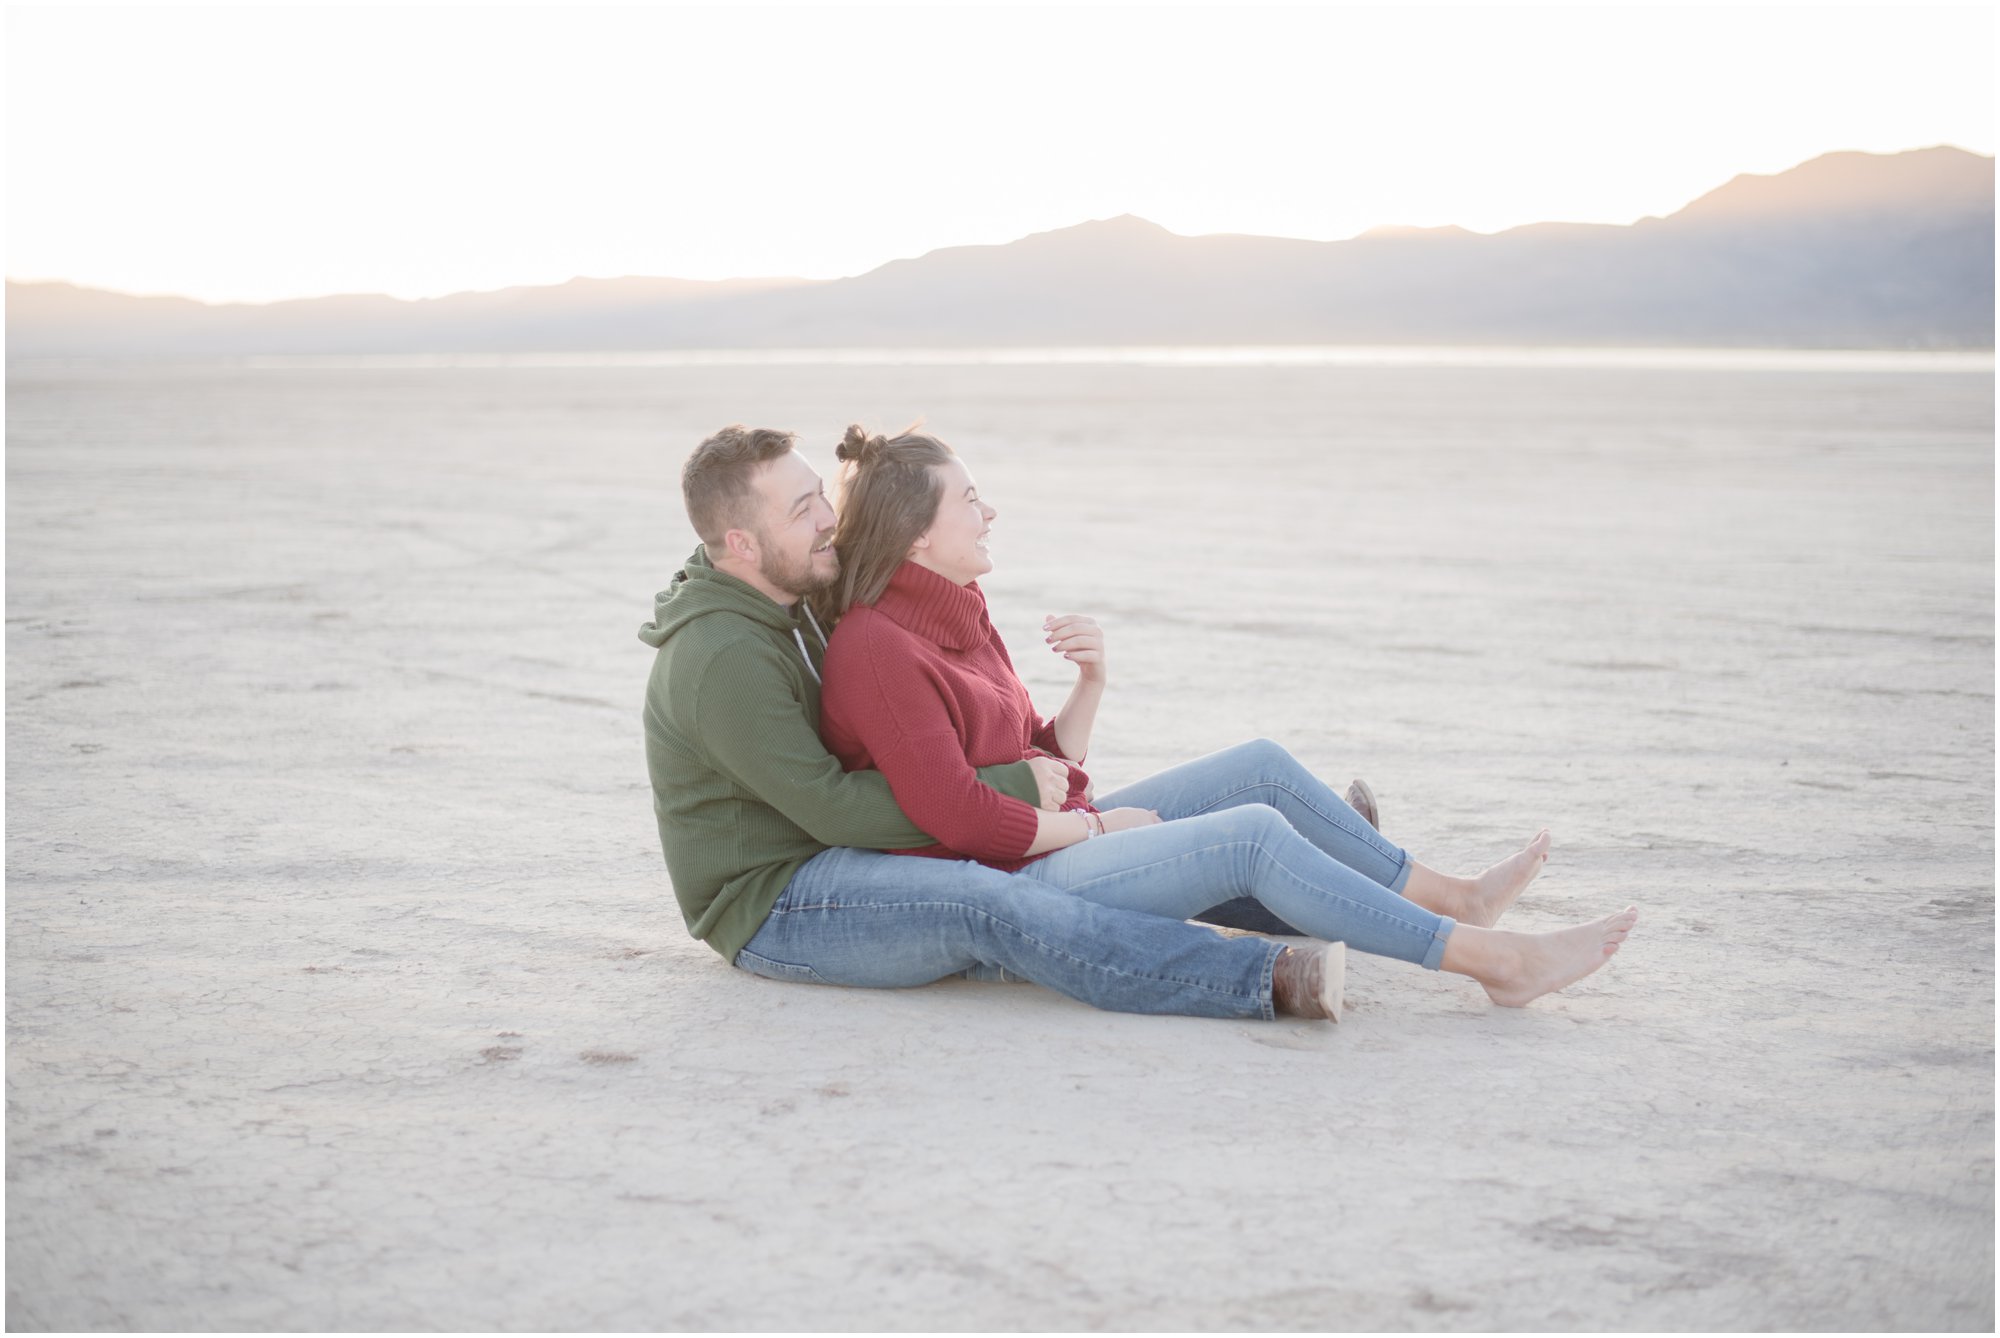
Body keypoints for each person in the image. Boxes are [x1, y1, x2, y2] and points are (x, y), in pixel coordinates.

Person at [811, 423, 1638, 1010]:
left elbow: (1044, 767)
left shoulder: (960, 606)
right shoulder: (875, 646)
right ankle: (1494, 963)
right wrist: (1102, 833)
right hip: (1014, 884)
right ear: (916, 537)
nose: (990, 513)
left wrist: (1091, 685)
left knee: (1260, 766)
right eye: (971, 500)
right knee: (1248, 834)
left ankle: (1453, 898)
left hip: (1051, 840)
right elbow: (955, 818)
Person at [641, 424, 1347, 1021]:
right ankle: (1259, 977)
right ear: (740, 543)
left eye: (820, 495)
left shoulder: (794, 588)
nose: (829, 518)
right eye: (803, 509)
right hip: (781, 900)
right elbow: (830, 809)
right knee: (987, 900)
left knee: (1096, 838)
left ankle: (1314, 887)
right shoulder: (722, 656)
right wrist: (1000, 791)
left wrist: (1003, 796)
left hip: (864, 849)